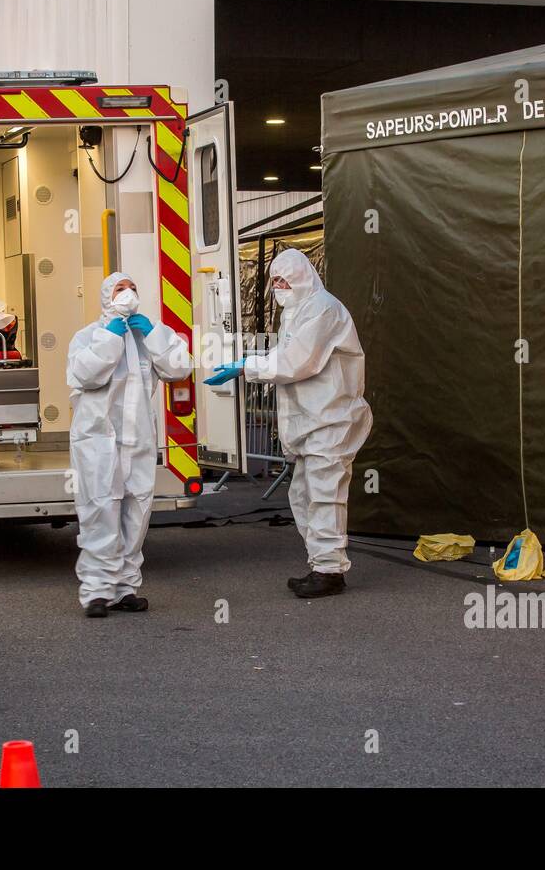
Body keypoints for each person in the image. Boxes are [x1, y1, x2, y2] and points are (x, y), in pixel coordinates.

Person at [206, 249, 372, 598]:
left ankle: (329, 570)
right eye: (276, 280)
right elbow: (288, 357)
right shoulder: (297, 312)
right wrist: (251, 362)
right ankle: (322, 563)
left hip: (331, 419)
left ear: (303, 277)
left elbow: (298, 362)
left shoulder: (323, 308)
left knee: (325, 497)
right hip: (315, 421)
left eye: (286, 279)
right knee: (304, 495)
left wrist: (246, 367)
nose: (280, 286)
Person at [67, 272, 193, 618]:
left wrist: (153, 334)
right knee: (100, 514)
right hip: (97, 440)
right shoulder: (87, 337)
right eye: (120, 290)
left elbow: (180, 368)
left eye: (133, 289)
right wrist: (110, 337)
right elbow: (85, 375)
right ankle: (96, 592)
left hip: (137, 440)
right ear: (106, 296)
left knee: (136, 514)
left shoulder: (146, 334)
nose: (128, 294)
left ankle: (125, 588)